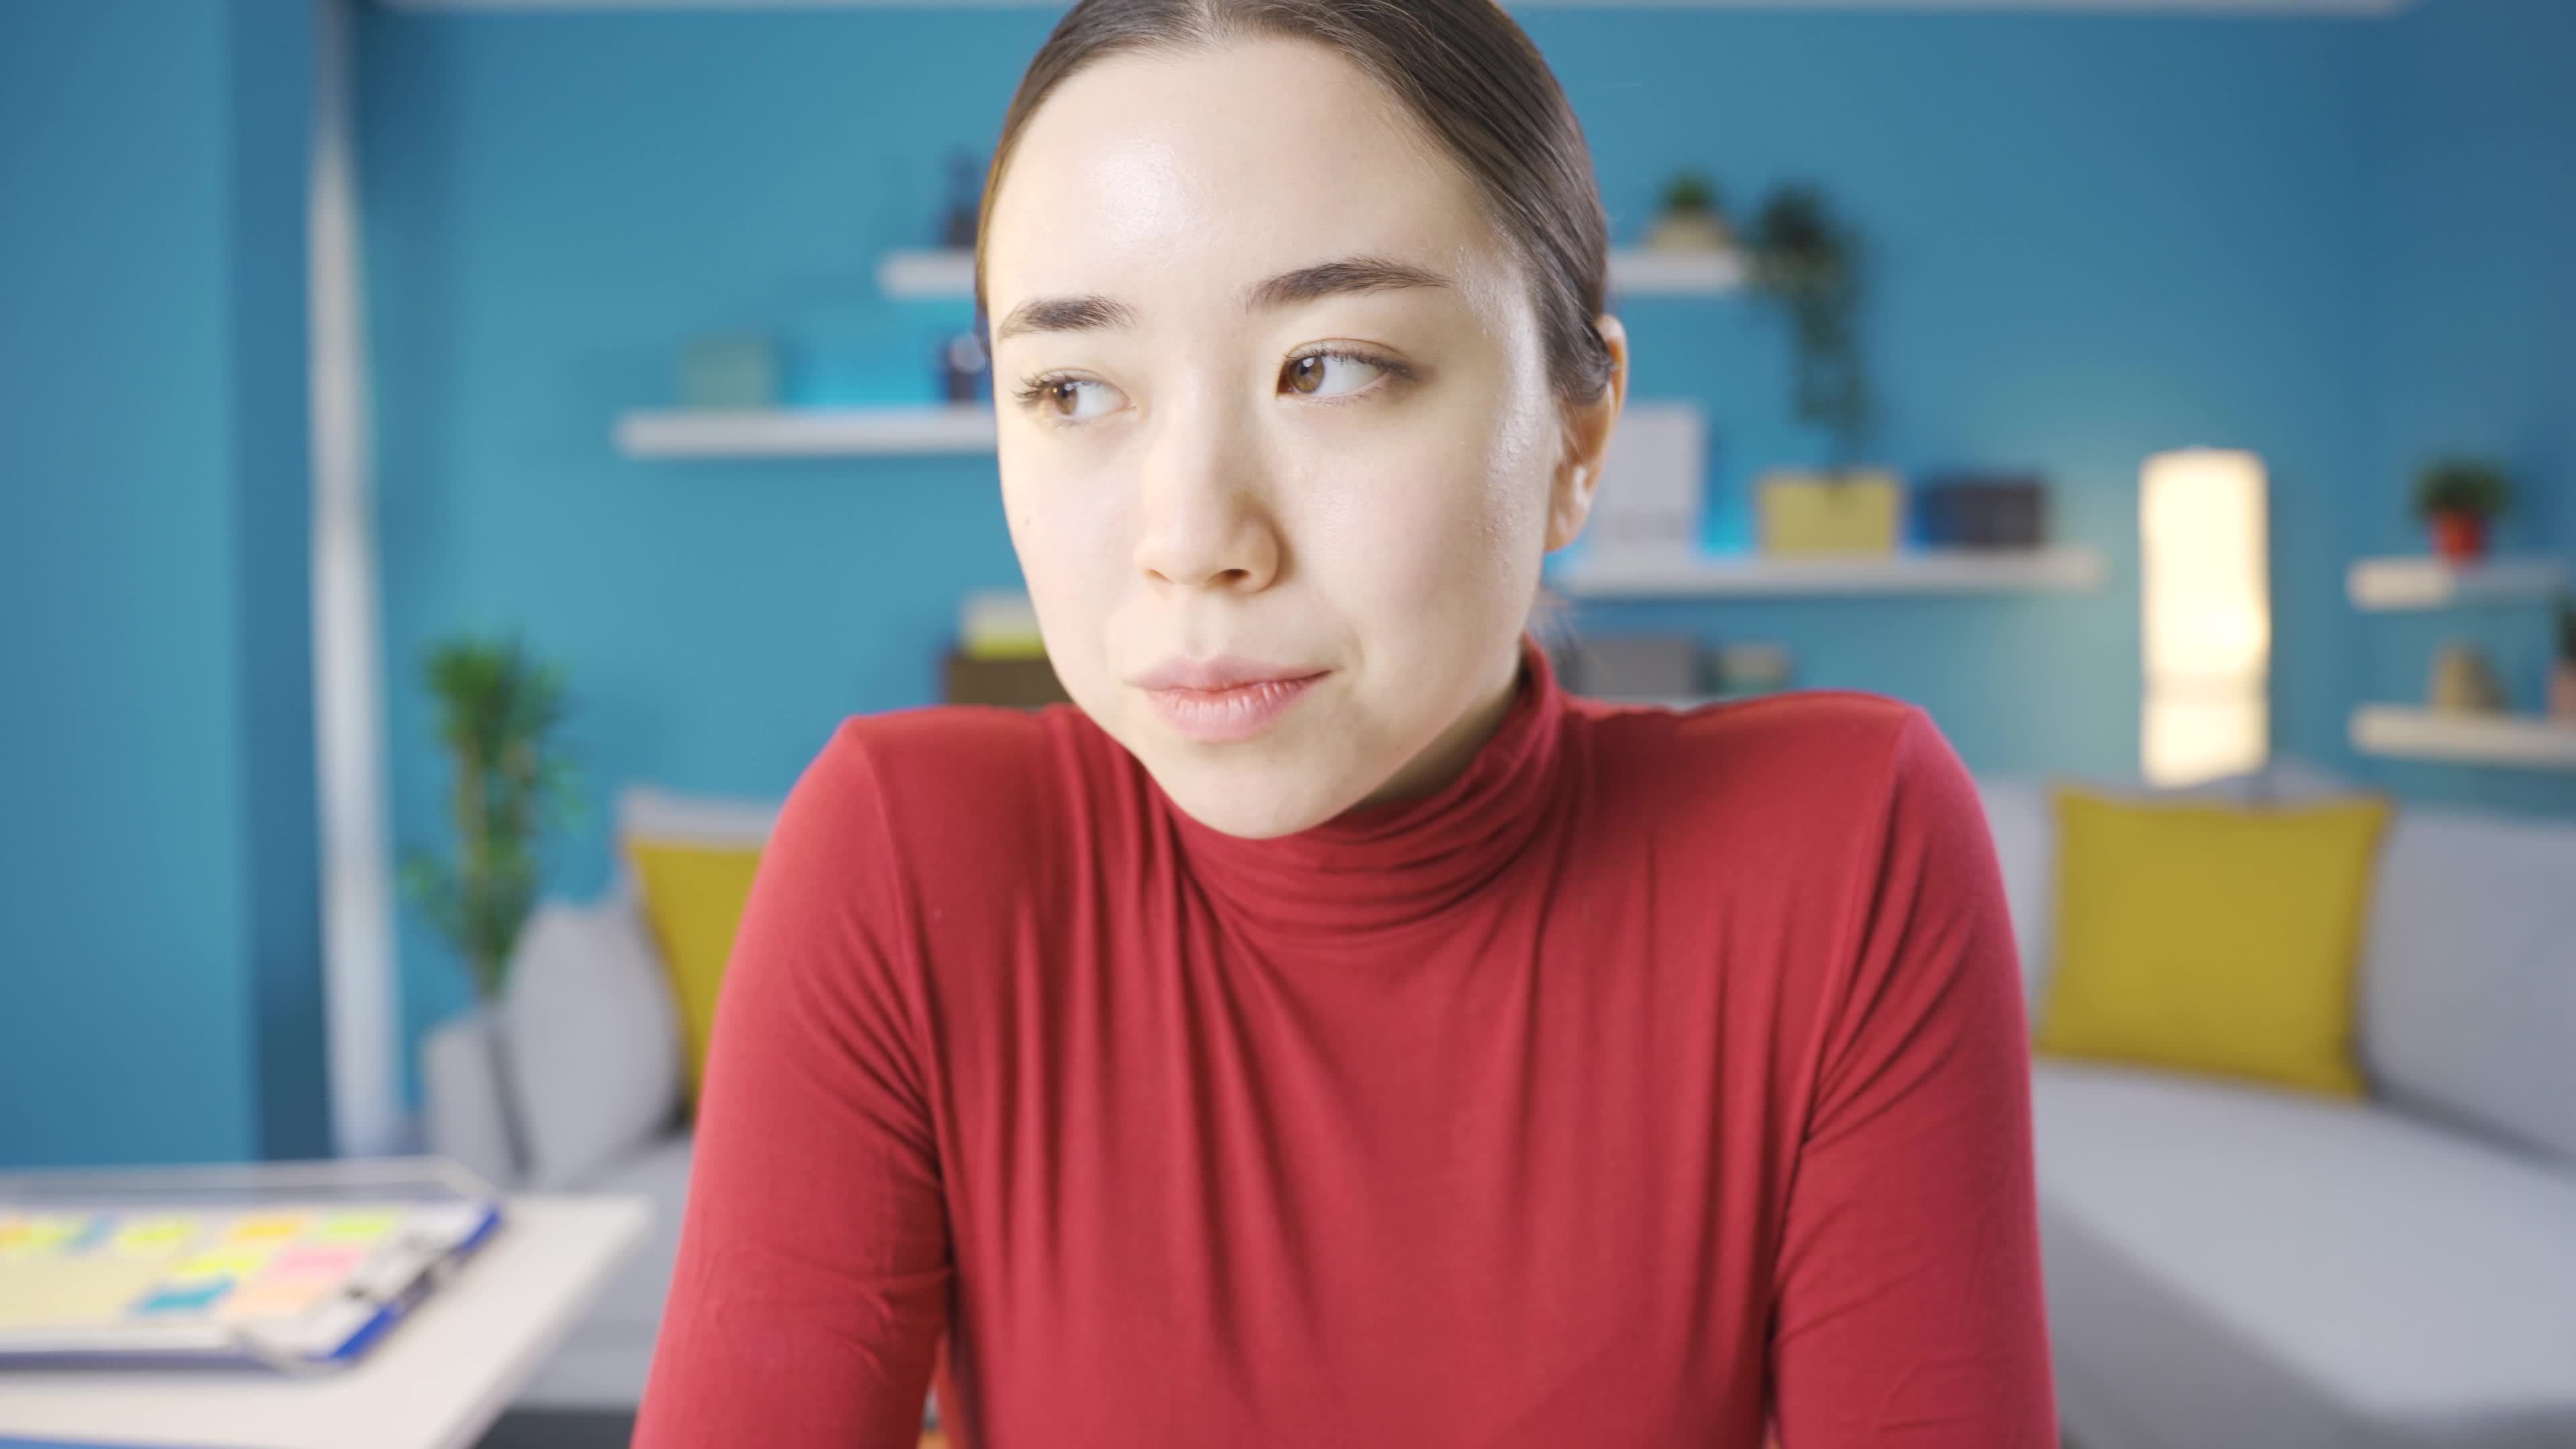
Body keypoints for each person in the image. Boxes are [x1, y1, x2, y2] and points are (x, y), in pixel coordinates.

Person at [633, 1, 2056, 1444]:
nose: (1193, 538)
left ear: (1578, 433)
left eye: (1331, 365)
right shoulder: (906, 859)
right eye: (1070, 389)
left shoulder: (1846, 847)